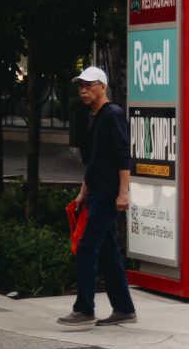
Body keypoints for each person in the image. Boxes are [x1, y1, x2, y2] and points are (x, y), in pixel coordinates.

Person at [57, 66, 137, 328]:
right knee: (107, 252)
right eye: (80, 85)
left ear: (102, 87)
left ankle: (84, 308)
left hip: (108, 194)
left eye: (89, 85)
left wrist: (123, 192)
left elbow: (123, 155)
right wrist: (83, 192)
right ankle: (124, 308)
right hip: (97, 192)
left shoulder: (112, 114)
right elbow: (95, 162)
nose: (83, 90)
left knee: (86, 247)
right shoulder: (95, 115)